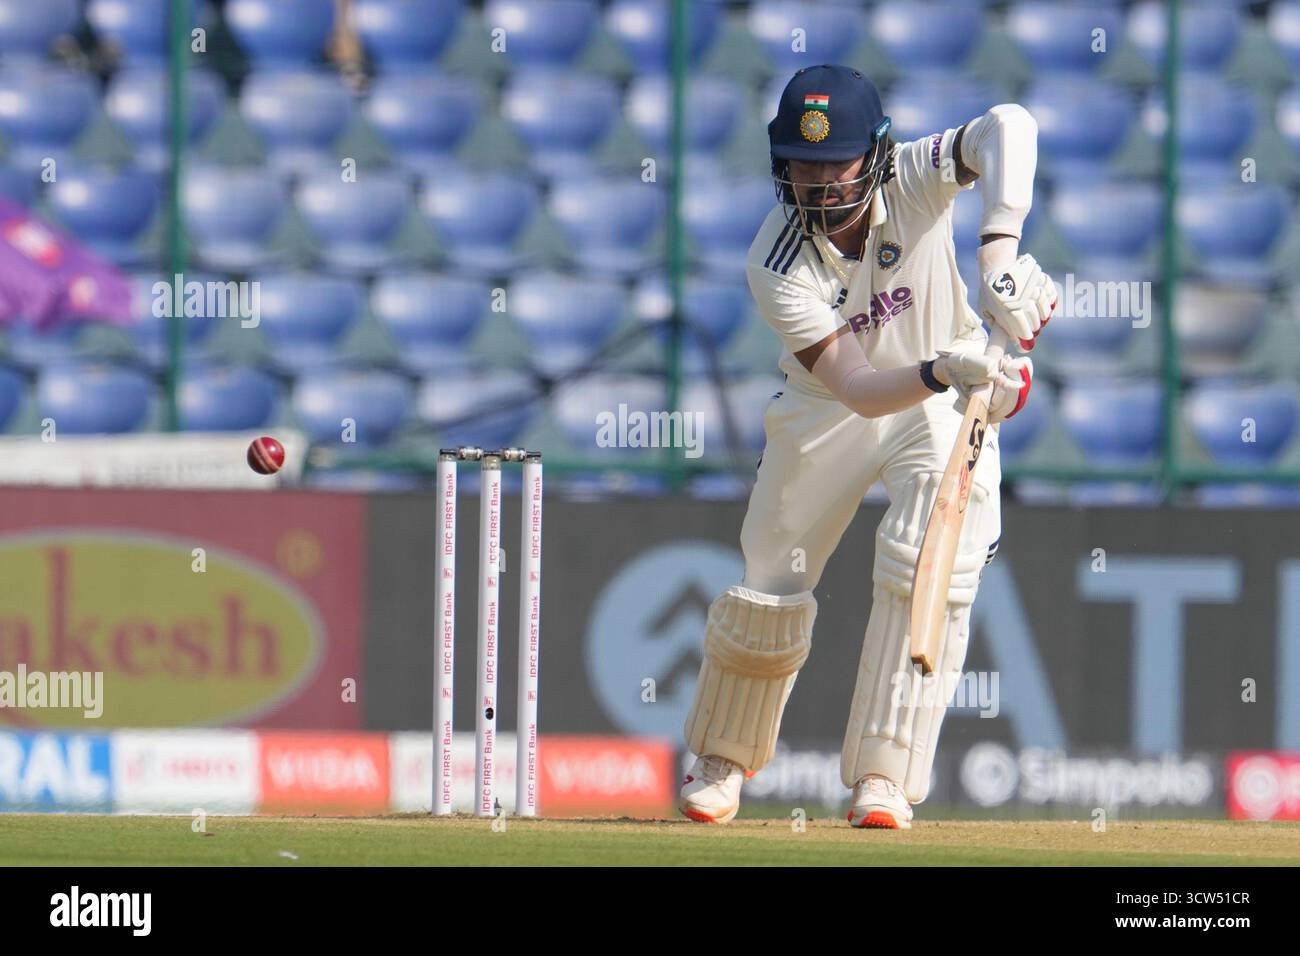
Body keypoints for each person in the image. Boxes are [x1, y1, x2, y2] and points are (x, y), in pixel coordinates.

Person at [679, 63, 1056, 828]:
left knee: (932, 562)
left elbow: (1011, 124)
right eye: (802, 162)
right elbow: (856, 388)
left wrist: (997, 258)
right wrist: (940, 366)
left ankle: (883, 778)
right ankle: (722, 756)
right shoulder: (773, 261)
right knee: (772, 580)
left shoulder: (916, 176)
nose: (817, 182)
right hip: (832, 407)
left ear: (878, 154)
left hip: (943, 399)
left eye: (835, 160)